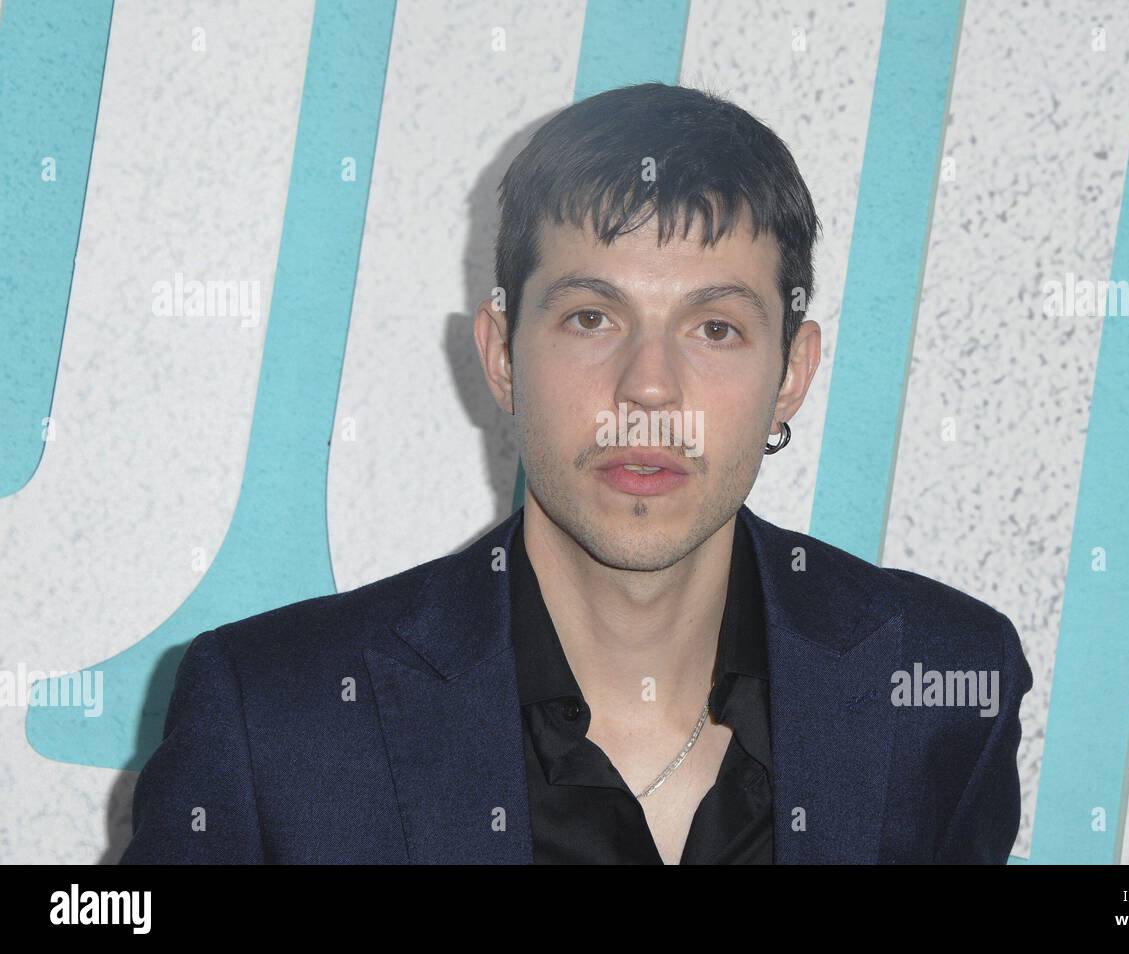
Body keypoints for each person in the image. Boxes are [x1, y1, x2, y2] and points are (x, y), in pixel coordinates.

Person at [120, 82, 1032, 865]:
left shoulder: (942, 688)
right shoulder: (274, 718)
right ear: (503, 356)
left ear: (791, 373)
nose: (648, 386)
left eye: (715, 328)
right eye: (592, 317)